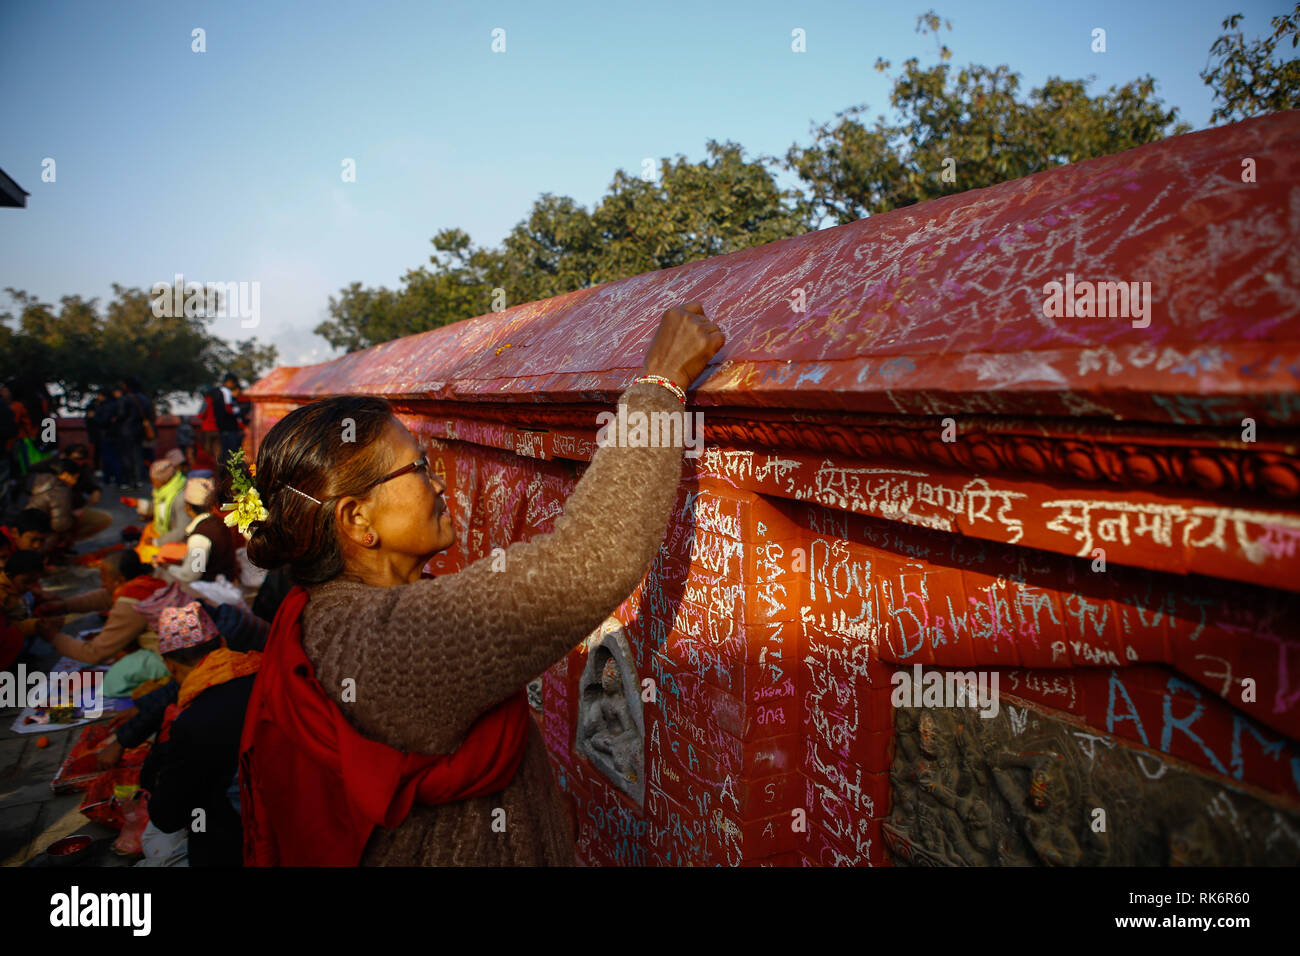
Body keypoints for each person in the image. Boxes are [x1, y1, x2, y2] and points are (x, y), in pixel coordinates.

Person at [238, 303, 722, 865]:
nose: (438, 482)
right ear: (356, 520)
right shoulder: (385, 641)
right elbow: (590, 559)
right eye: (417, 469)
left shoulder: (326, 614)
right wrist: (659, 387)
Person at [138, 602, 260, 867]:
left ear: (169, 666)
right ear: (224, 642)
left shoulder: (193, 722)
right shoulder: (265, 673)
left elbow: (168, 816)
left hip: (243, 846)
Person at [37, 549, 176, 665]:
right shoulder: (149, 582)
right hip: (183, 649)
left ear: (120, 580)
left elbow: (94, 653)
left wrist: (54, 637)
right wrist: (65, 605)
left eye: (104, 580)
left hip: (172, 660)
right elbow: (107, 595)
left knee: (115, 680)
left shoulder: (132, 601)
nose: (103, 585)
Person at [156, 476, 237, 584]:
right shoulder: (216, 521)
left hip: (212, 588)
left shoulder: (199, 537)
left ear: (187, 507)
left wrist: (167, 567)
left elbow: (190, 575)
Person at [132, 457, 189, 556]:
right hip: (163, 536)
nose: (153, 484)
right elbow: (159, 507)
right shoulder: (164, 491)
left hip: (178, 542)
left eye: (154, 481)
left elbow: (181, 531)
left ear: (163, 480)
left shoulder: (180, 498)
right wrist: (138, 503)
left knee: (145, 554)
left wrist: (156, 542)